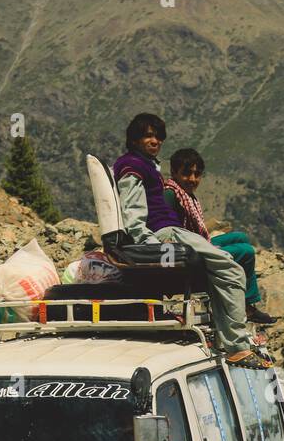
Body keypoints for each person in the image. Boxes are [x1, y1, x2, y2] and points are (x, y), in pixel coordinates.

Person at [112, 113, 272, 369]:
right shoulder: (132, 166)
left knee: (228, 265)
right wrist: (152, 247)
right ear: (134, 139)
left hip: (172, 232)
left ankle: (232, 339)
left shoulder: (146, 164)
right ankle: (237, 347)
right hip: (168, 234)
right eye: (147, 135)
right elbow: (133, 213)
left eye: (158, 136)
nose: (154, 141)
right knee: (231, 270)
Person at [164, 148, 276, 325]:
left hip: (194, 244)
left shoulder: (184, 194)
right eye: (186, 173)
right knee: (245, 251)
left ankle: (247, 301)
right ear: (174, 172)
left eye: (197, 174)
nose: (192, 179)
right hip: (187, 253)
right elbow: (169, 232)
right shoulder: (170, 195)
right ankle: (246, 306)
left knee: (241, 237)